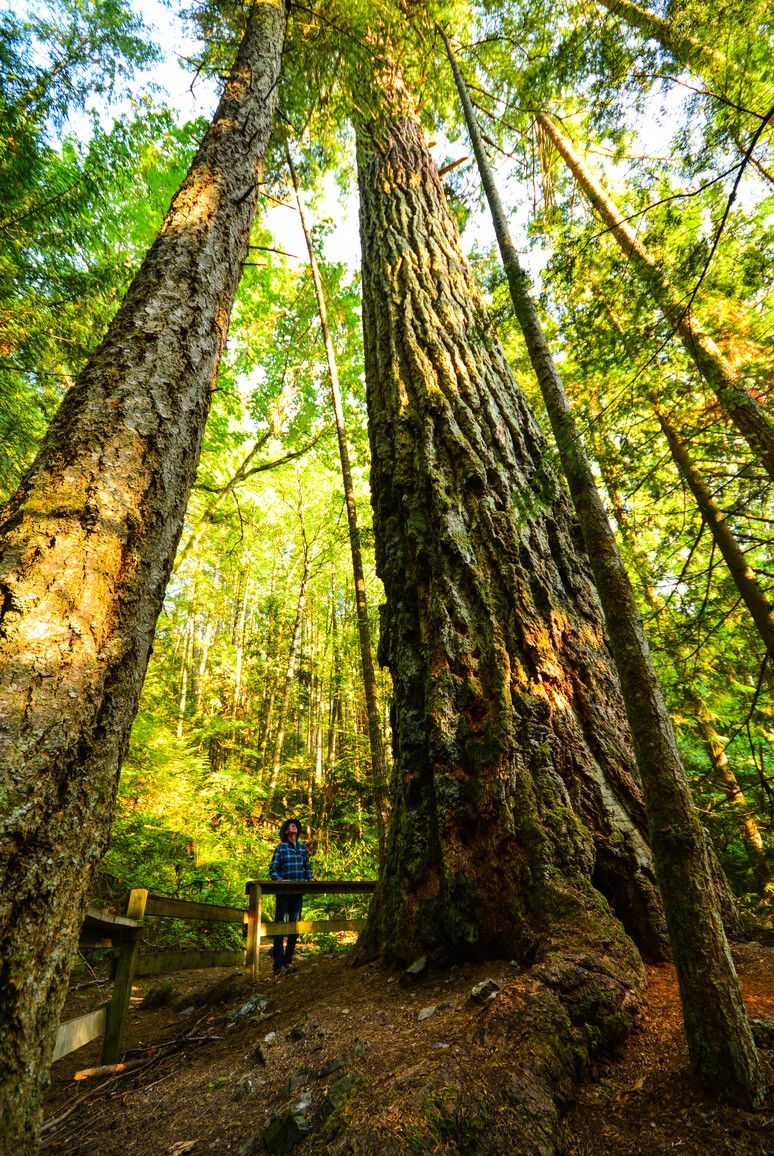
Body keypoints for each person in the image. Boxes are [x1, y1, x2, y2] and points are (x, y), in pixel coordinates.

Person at [268, 817, 313, 976]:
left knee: (295, 927)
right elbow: (273, 869)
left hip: (298, 892)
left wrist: (310, 878)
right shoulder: (281, 847)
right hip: (283, 893)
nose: (293, 826)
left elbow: (307, 867)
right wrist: (280, 881)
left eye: (295, 825)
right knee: (279, 927)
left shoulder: (302, 848)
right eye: (290, 825)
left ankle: (288, 961)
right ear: (286, 831)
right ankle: (278, 965)